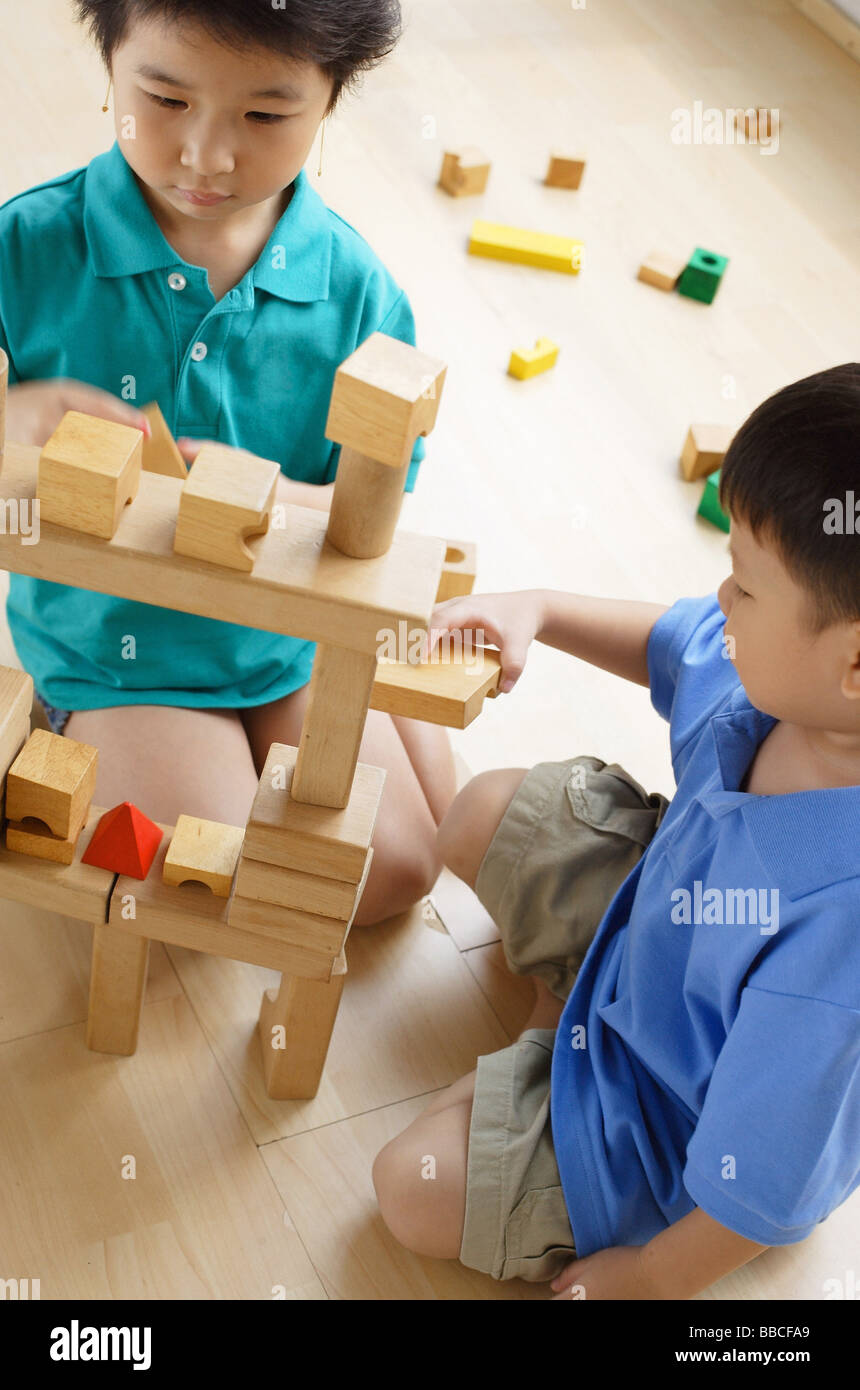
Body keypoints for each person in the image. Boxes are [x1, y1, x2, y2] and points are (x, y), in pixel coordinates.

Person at [372, 364, 860, 1298]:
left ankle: (553, 1040)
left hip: (668, 1124)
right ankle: (558, 1021)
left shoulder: (838, 944)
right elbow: (675, 642)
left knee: (411, 1188)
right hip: (652, 928)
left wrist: (648, 1276)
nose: (722, 598)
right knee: (480, 815)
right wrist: (540, 611)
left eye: (748, 589)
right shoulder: (781, 692)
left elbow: (765, 1175)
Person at [0, 0, 456, 925]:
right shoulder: (26, 249)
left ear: (332, 98)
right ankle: (62, 721)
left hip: (284, 636)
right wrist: (21, 417)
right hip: (121, 650)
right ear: (111, 65)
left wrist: (267, 494)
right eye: (164, 99)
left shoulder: (357, 290)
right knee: (210, 879)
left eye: (265, 116)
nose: (206, 156)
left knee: (396, 875)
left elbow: (370, 505)